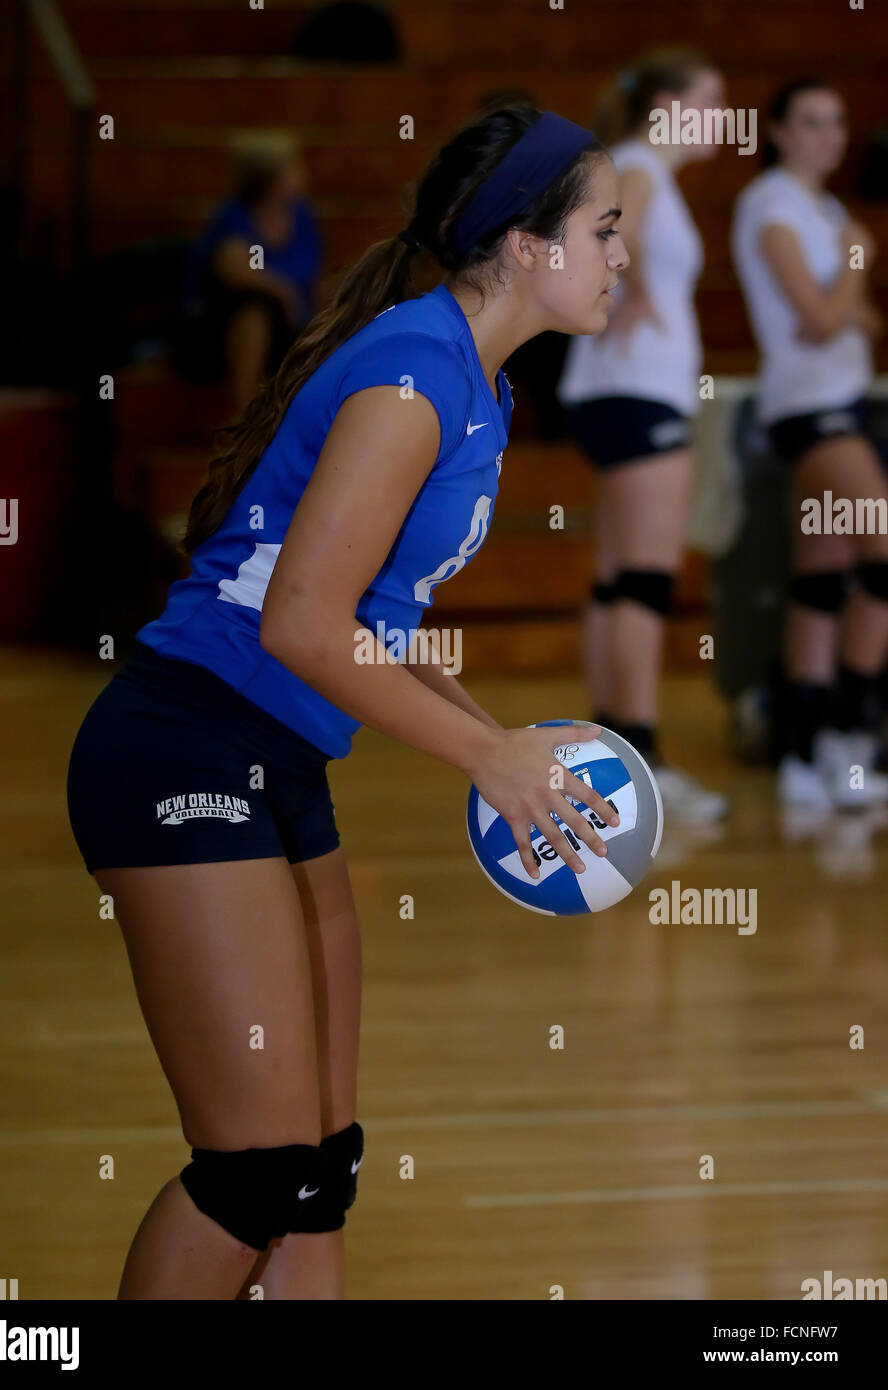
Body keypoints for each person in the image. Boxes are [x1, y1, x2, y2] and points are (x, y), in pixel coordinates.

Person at [66, 104, 629, 1300]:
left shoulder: (482, 389)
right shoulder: (416, 373)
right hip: (182, 743)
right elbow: (303, 625)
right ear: (528, 246)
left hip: (280, 758)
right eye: (607, 228)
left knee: (321, 1167)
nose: (623, 255)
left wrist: (504, 740)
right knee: (256, 1171)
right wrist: (486, 764)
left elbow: (375, 621)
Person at [557, 47, 729, 823]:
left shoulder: (632, 167)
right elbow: (598, 254)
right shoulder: (643, 172)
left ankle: (611, 760)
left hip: (614, 394)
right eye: (710, 100)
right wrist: (624, 298)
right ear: (667, 102)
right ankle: (644, 764)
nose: (723, 118)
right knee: (646, 580)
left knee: (616, 576)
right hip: (637, 393)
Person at [732, 79, 887, 810]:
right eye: (813, 122)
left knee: (823, 576)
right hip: (810, 407)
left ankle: (802, 754)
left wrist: (850, 296)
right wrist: (859, 261)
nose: (830, 135)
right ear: (780, 131)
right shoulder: (772, 205)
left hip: (846, 400)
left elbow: (865, 327)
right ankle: (849, 733)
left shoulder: (827, 213)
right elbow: (824, 320)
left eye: (839, 122)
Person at [173, 132, 322, 415]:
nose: (301, 173)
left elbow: (311, 278)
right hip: (215, 327)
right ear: (268, 177)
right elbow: (235, 269)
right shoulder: (235, 216)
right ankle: (242, 419)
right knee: (254, 312)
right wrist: (282, 291)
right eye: (293, 168)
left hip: (288, 323)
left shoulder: (301, 216)